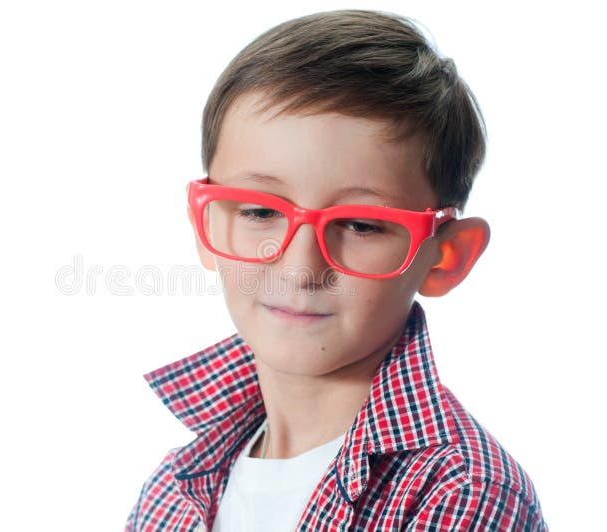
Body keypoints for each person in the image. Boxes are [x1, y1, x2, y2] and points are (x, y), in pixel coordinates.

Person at [125, 9, 547, 531]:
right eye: (260, 212)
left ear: (445, 257)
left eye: (362, 225)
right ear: (204, 224)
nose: (301, 269)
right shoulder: (175, 485)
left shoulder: (464, 492)